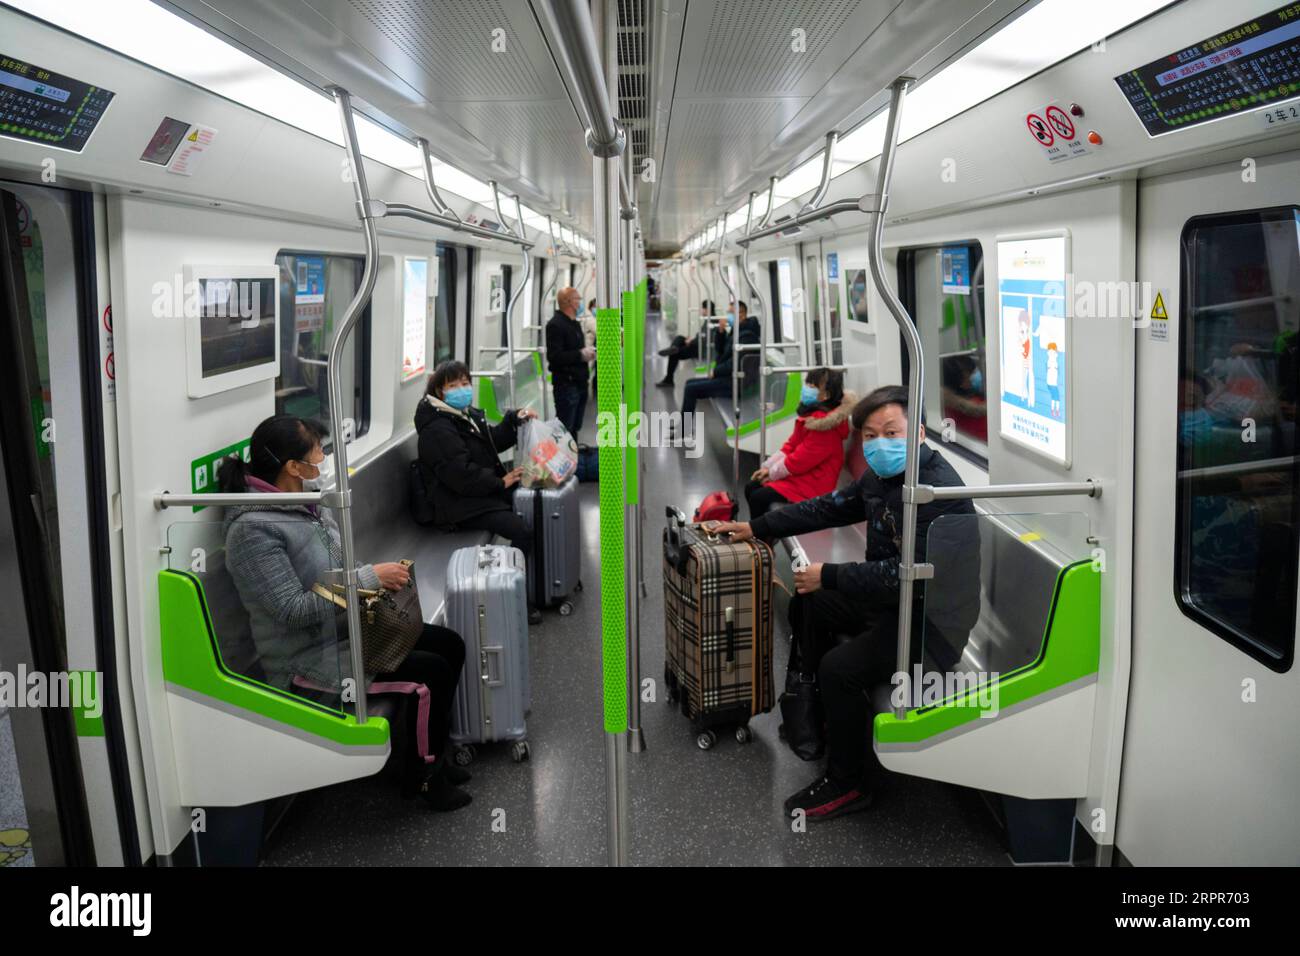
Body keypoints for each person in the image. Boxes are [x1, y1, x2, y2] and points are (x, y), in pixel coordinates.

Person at [709, 385, 977, 822]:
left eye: (891, 432)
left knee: (840, 669)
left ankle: (850, 782)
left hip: (929, 623)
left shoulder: (938, 496)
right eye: (870, 436)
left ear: (920, 432)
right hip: (891, 604)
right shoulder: (883, 478)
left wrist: (829, 574)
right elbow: (827, 509)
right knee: (810, 603)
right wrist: (757, 526)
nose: (879, 444)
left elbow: (905, 578)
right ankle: (815, 711)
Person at [220, 415, 472, 811]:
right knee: (429, 673)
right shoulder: (252, 531)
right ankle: (425, 776)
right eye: (318, 450)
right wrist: (369, 578)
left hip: (343, 631)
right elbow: (291, 610)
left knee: (449, 644)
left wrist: (374, 580)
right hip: (304, 660)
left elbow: (340, 568)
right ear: (292, 466)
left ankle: (432, 750)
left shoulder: (309, 506)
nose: (324, 458)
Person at [415, 360, 543, 625]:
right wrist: (500, 483)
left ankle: (528, 585)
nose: (462, 389)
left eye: (465, 383)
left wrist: (513, 419)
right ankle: (517, 601)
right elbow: (460, 475)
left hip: (473, 494)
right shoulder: (438, 429)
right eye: (454, 385)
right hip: (455, 504)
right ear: (440, 391)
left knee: (534, 496)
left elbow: (491, 440)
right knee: (521, 530)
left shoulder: (461, 415)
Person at [745, 368, 854, 521]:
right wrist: (768, 467)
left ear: (826, 395)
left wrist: (772, 473)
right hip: (804, 476)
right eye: (807, 383)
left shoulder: (824, 426)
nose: (806, 388)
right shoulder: (812, 416)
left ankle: (760, 537)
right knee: (752, 487)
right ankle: (760, 534)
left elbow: (801, 460)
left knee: (759, 497)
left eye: (812, 386)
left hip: (814, 484)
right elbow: (791, 445)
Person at [681, 301, 760, 417]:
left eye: (731, 313)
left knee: (691, 389)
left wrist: (716, 371)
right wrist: (721, 332)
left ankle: (684, 430)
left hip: (736, 384)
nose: (728, 316)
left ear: (742, 315)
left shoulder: (748, 337)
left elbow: (734, 364)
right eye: (728, 312)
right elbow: (721, 351)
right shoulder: (736, 331)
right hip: (728, 377)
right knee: (689, 383)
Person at [546, 286, 594, 437]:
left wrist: (586, 353)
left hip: (580, 382)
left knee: (574, 429)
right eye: (577, 299)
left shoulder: (574, 323)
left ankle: (575, 459)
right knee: (565, 431)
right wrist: (580, 355)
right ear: (569, 302)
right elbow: (554, 357)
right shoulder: (556, 325)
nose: (580, 302)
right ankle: (565, 460)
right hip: (567, 385)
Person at [656, 299, 717, 386]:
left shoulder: (713, 321)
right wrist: (691, 340)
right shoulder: (709, 320)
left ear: (707, 309)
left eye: (702, 308)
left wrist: (691, 341)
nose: (701, 310)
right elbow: (702, 336)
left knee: (674, 355)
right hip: (697, 345)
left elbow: (704, 339)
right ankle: (674, 348)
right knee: (680, 337)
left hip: (700, 350)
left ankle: (669, 379)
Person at [583, 297, 598, 398]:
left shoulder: (592, 318)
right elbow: (600, 331)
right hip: (587, 349)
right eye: (596, 307)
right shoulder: (590, 319)